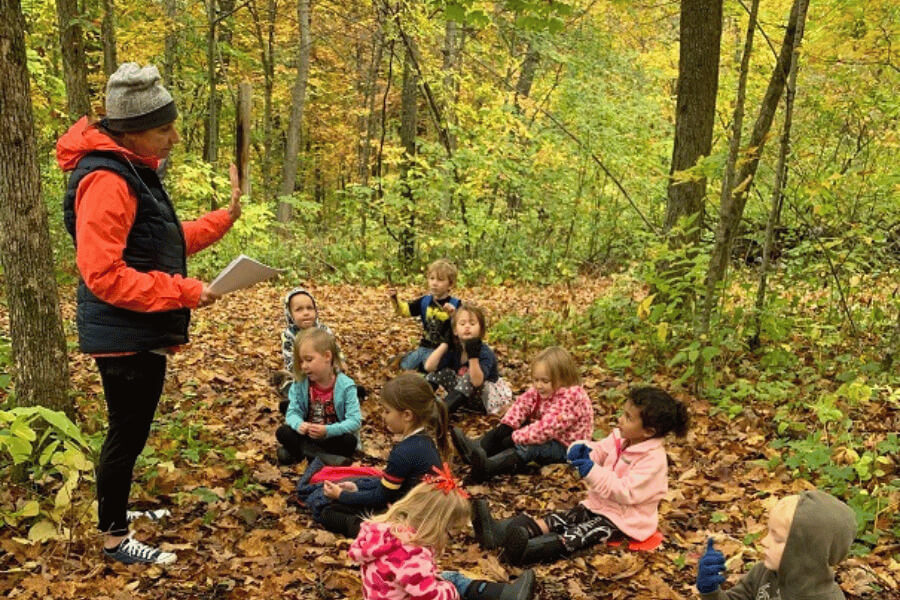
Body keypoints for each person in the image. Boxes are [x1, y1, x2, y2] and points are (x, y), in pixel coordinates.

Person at [55, 62, 242, 565]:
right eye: (164, 128)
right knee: (125, 432)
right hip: (122, 333)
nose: (174, 137)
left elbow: (162, 238)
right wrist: (184, 291)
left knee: (132, 431)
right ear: (133, 131)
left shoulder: (132, 172)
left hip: (136, 327)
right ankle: (115, 538)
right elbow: (103, 274)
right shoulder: (108, 180)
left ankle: (117, 512)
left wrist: (224, 218)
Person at [472, 387, 689, 565]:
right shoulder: (620, 438)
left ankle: (527, 552)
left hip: (625, 521)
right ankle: (501, 532)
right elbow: (599, 450)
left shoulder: (653, 460)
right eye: (623, 413)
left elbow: (626, 492)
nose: (620, 420)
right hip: (598, 505)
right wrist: (582, 450)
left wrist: (591, 470)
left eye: (629, 418)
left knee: (582, 533)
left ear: (649, 431)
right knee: (561, 518)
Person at [349, 465, 537, 600]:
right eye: (449, 533)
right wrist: (450, 591)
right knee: (452, 582)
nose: (449, 540)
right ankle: (504, 594)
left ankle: (503, 593)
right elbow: (432, 595)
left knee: (448, 576)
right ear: (436, 525)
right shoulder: (411, 552)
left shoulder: (382, 533)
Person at [315, 373, 447, 538]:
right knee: (352, 493)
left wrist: (342, 495)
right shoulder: (425, 440)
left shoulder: (405, 451)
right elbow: (389, 485)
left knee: (329, 512)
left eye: (387, 411)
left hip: (410, 518)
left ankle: (369, 533)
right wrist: (357, 488)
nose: (383, 416)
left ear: (407, 415)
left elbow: (380, 497)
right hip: (421, 510)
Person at [451, 346, 593, 482]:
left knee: (531, 444)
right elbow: (523, 403)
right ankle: (478, 448)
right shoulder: (543, 389)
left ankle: (489, 467)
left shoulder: (572, 397)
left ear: (563, 378)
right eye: (536, 380)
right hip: (550, 436)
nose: (538, 385)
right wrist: (507, 426)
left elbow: (546, 429)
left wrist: (515, 438)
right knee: (509, 429)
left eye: (544, 381)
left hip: (566, 447)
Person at [696, 490, 856, 600]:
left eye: (777, 539)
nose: (764, 542)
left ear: (807, 552)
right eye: (768, 532)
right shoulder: (762, 575)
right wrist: (710, 590)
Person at [275, 328, 361, 466]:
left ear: (327, 356)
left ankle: (301, 454)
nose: (304, 366)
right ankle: (322, 457)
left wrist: (328, 430)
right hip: (307, 436)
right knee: (283, 432)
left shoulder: (346, 386)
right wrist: (299, 425)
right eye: (301, 362)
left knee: (349, 441)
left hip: (331, 437)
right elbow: (292, 413)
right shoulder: (301, 383)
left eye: (309, 360)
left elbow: (355, 421)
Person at [424, 304, 510, 414]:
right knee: (440, 372)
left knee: (468, 377)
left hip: (485, 400)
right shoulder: (455, 350)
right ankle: (417, 404)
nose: (467, 327)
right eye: (462, 324)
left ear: (481, 330)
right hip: (464, 398)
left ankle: (440, 414)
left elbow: (476, 382)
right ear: (455, 330)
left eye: (472, 324)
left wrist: (472, 355)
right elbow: (429, 367)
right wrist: (446, 342)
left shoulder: (484, 352)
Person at [389, 259, 462, 371]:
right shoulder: (425, 301)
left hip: (445, 350)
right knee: (405, 367)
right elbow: (404, 310)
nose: (434, 283)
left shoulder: (456, 304)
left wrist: (454, 314)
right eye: (431, 278)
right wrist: (394, 298)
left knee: (430, 369)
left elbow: (463, 327)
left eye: (440, 280)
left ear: (450, 284)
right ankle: (406, 359)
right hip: (425, 347)